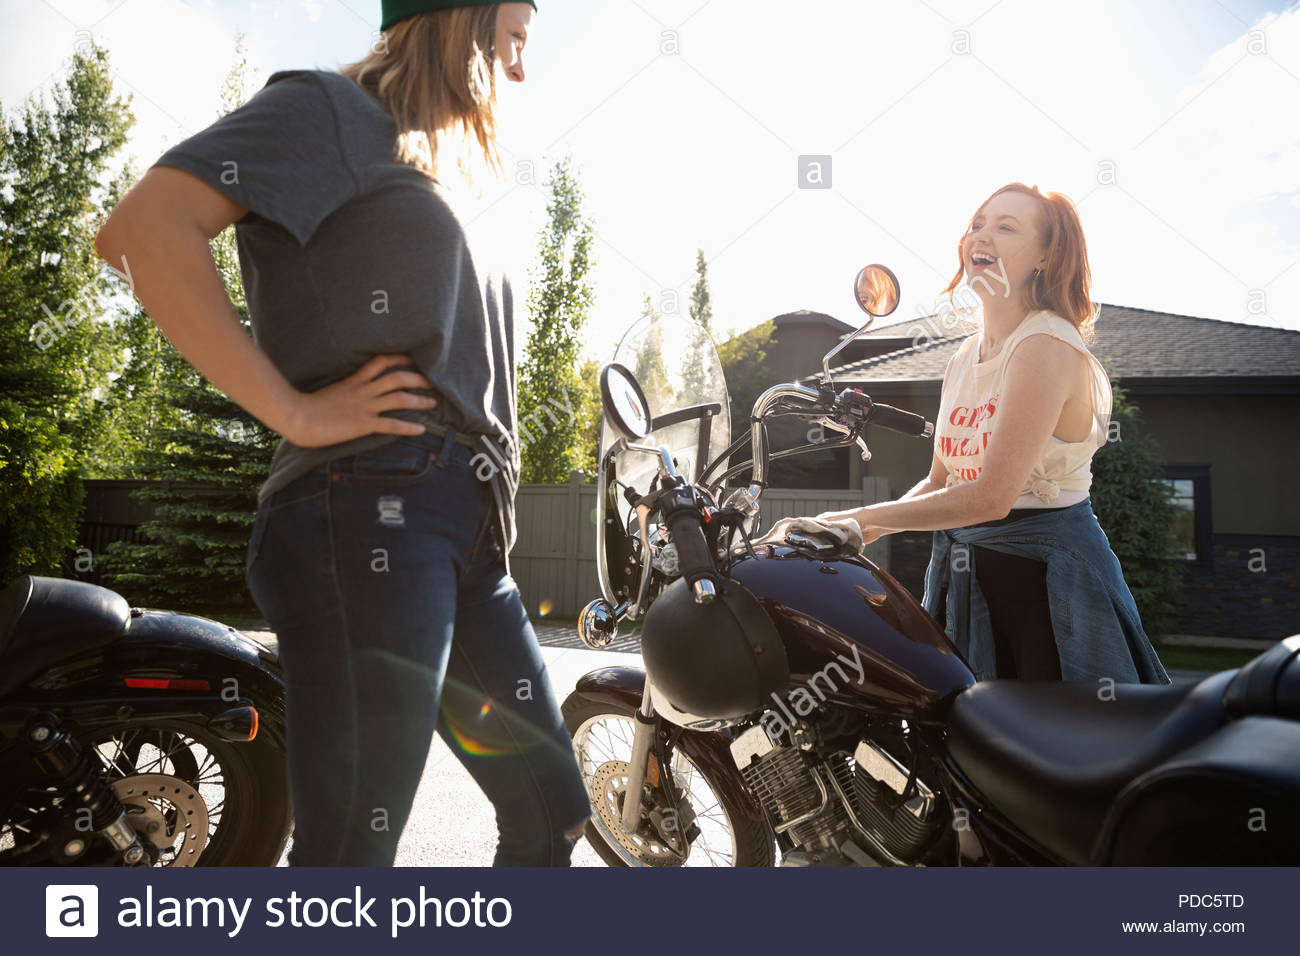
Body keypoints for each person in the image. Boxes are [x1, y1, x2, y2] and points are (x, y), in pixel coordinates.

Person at [94, 0, 593, 865]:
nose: (521, 70)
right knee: (350, 855)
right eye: (513, 41)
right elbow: (139, 232)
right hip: (371, 505)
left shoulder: (444, 172)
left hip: (471, 535)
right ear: (457, 24)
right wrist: (293, 409)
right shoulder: (330, 111)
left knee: (555, 814)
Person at [818, 183, 1168, 685]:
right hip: (967, 576)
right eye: (977, 224)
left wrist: (858, 516)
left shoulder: (1045, 344)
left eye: (1006, 226)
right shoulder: (963, 358)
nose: (981, 235)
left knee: (1049, 750)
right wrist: (862, 531)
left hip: (1044, 588)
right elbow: (942, 480)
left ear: (1046, 256)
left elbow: (991, 497)